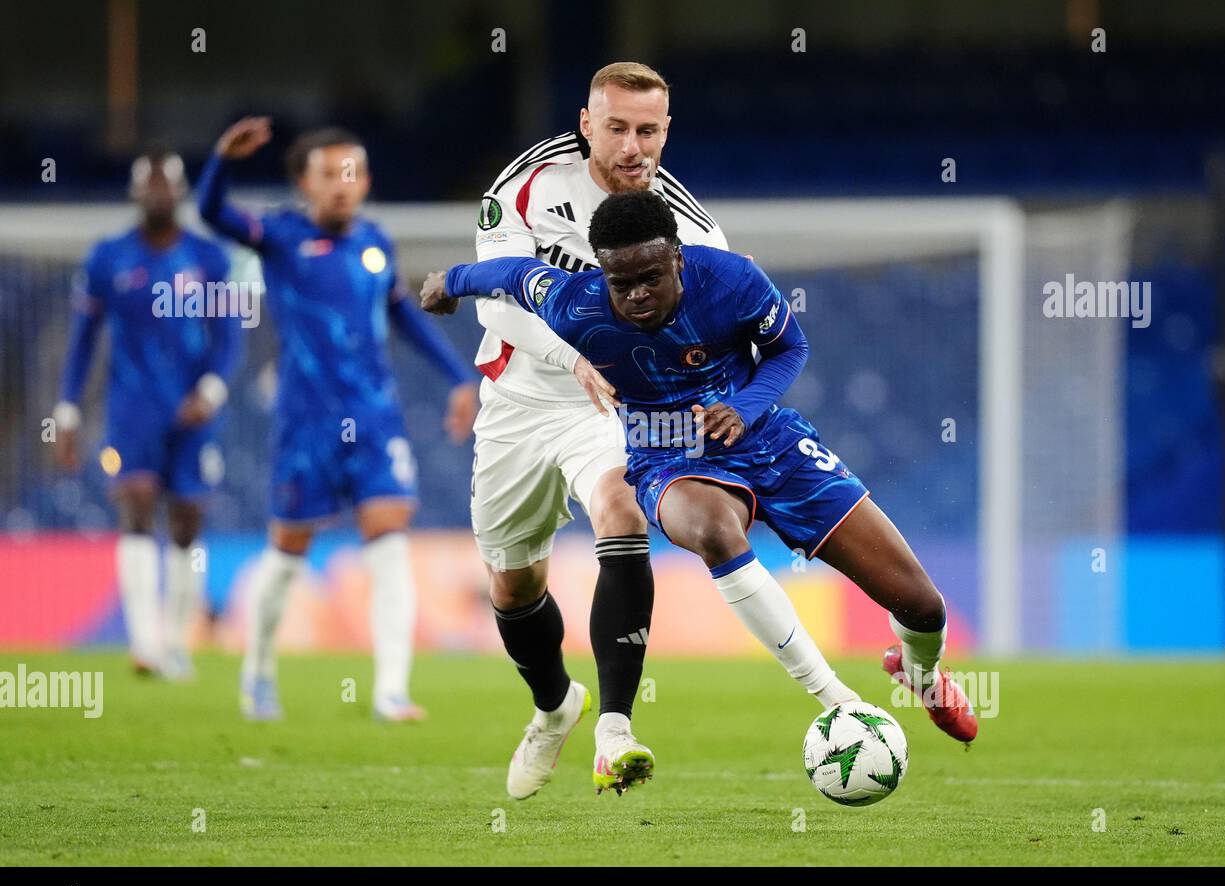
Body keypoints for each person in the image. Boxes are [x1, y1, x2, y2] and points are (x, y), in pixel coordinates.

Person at [422, 190, 979, 776]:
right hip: (668, 457)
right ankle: (838, 701)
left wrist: (745, 405)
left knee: (921, 604)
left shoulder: (733, 280)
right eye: (621, 281)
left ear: (679, 259)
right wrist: (449, 280)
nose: (636, 293)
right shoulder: (575, 304)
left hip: (770, 441)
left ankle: (919, 670)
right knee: (714, 529)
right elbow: (511, 272)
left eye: (650, 277)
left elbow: (790, 347)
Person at [467, 63, 727, 797]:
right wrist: (571, 353)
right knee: (513, 586)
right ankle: (555, 707)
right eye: (616, 128)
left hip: (612, 408)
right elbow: (497, 299)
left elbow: (727, 317)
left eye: (648, 131)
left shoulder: (694, 228)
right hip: (519, 400)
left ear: (666, 132)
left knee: (621, 509)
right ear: (588, 124)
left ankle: (615, 730)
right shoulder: (527, 185)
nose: (632, 146)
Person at [195, 117, 479, 722]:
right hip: (307, 424)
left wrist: (460, 378)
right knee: (288, 551)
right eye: (328, 174)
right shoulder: (278, 236)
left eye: (352, 172)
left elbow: (403, 316)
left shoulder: (375, 243)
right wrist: (222, 159)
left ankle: (391, 691)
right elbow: (212, 212)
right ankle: (259, 670)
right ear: (304, 183)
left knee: (389, 543)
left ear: (366, 178)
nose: (342, 185)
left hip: (376, 421)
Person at [55, 148, 237, 680]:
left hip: (194, 411)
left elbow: (228, 340)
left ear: (180, 194)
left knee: (186, 520)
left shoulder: (209, 259)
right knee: (134, 506)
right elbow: (82, 342)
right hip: (132, 409)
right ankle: (145, 642)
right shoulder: (107, 259)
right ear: (135, 193)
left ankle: (177, 642)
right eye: (148, 185)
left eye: (168, 185)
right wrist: (67, 413)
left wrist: (210, 390)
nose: (158, 194)